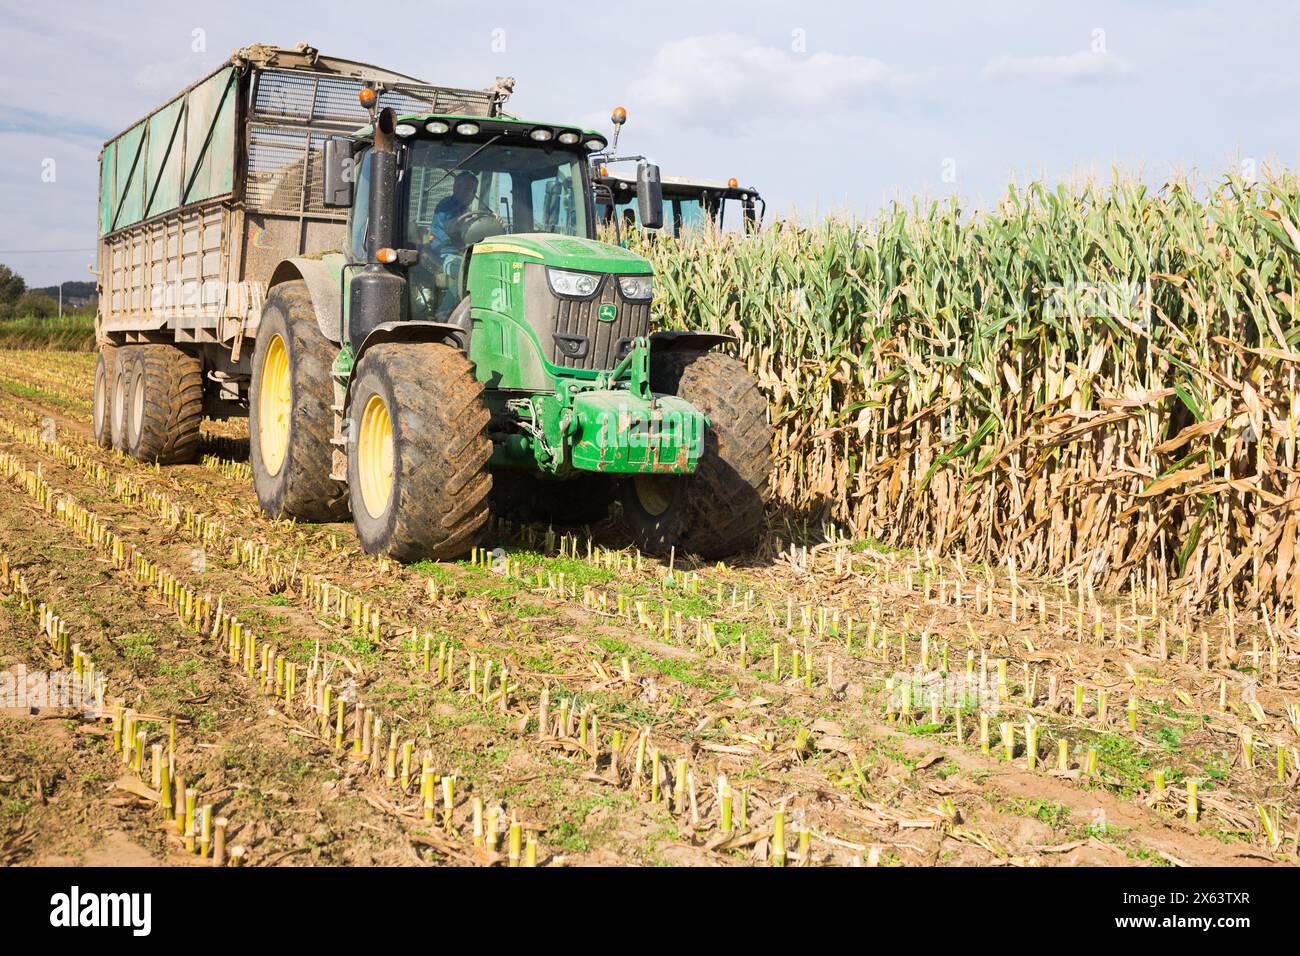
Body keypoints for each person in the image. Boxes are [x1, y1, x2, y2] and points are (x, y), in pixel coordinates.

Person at [426, 172, 479, 254]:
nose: (471, 194)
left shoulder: (466, 210)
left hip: (459, 250)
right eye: (467, 189)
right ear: (456, 187)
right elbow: (450, 227)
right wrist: (468, 222)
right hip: (444, 250)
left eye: (474, 191)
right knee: (454, 263)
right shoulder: (446, 205)